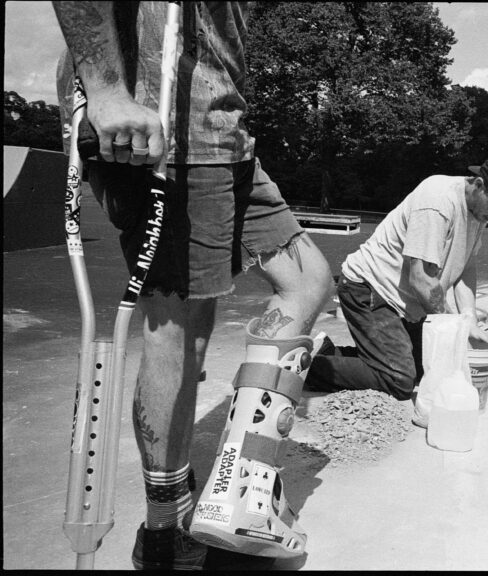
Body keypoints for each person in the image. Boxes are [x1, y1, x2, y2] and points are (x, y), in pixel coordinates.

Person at [53, 2, 333, 570]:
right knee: (178, 332)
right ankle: (167, 528)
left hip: (224, 133)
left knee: (307, 281)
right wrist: (105, 92)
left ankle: (233, 495)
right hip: (167, 133)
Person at [305, 156, 488, 403]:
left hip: (403, 300)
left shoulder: (479, 210)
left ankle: (328, 352)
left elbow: (467, 266)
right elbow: (421, 280)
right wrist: (455, 328)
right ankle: (305, 368)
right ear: (478, 184)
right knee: (398, 380)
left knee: (428, 368)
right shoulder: (438, 203)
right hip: (370, 289)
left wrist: (470, 320)